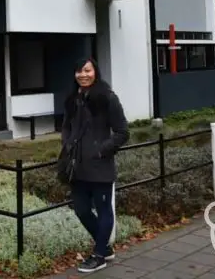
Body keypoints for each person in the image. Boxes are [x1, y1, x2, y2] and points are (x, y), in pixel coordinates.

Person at [60, 58, 129, 273]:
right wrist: (67, 144)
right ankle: (105, 247)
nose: (83, 75)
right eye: (79, 71)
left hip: (100, 166)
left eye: (87, 70)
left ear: (95, 72)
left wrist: (100, 150)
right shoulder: (73, 99)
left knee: (103, 209)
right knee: (81, 210)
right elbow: (66, 127)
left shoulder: (108, 98)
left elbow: (122, 132)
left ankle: (99, 255)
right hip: (76, 166)